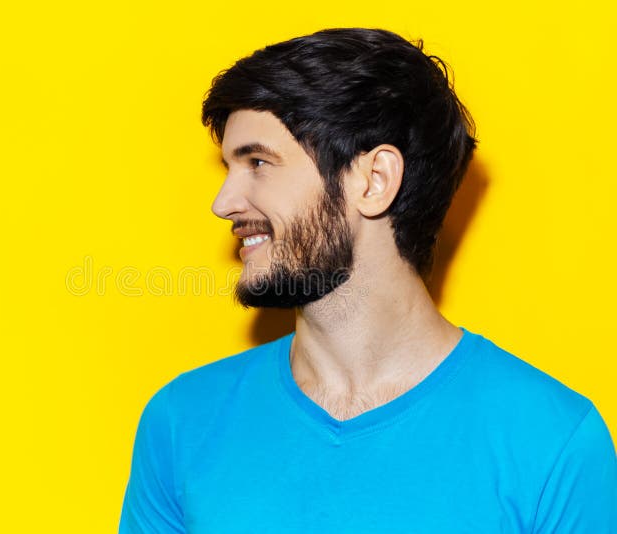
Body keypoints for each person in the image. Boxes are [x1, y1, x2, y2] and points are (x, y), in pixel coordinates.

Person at [119, 28, 617, 532]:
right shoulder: (182, 423)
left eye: (258, 163)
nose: (223, 203)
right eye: (230, 166)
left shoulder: (552, 441)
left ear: (374, 181)